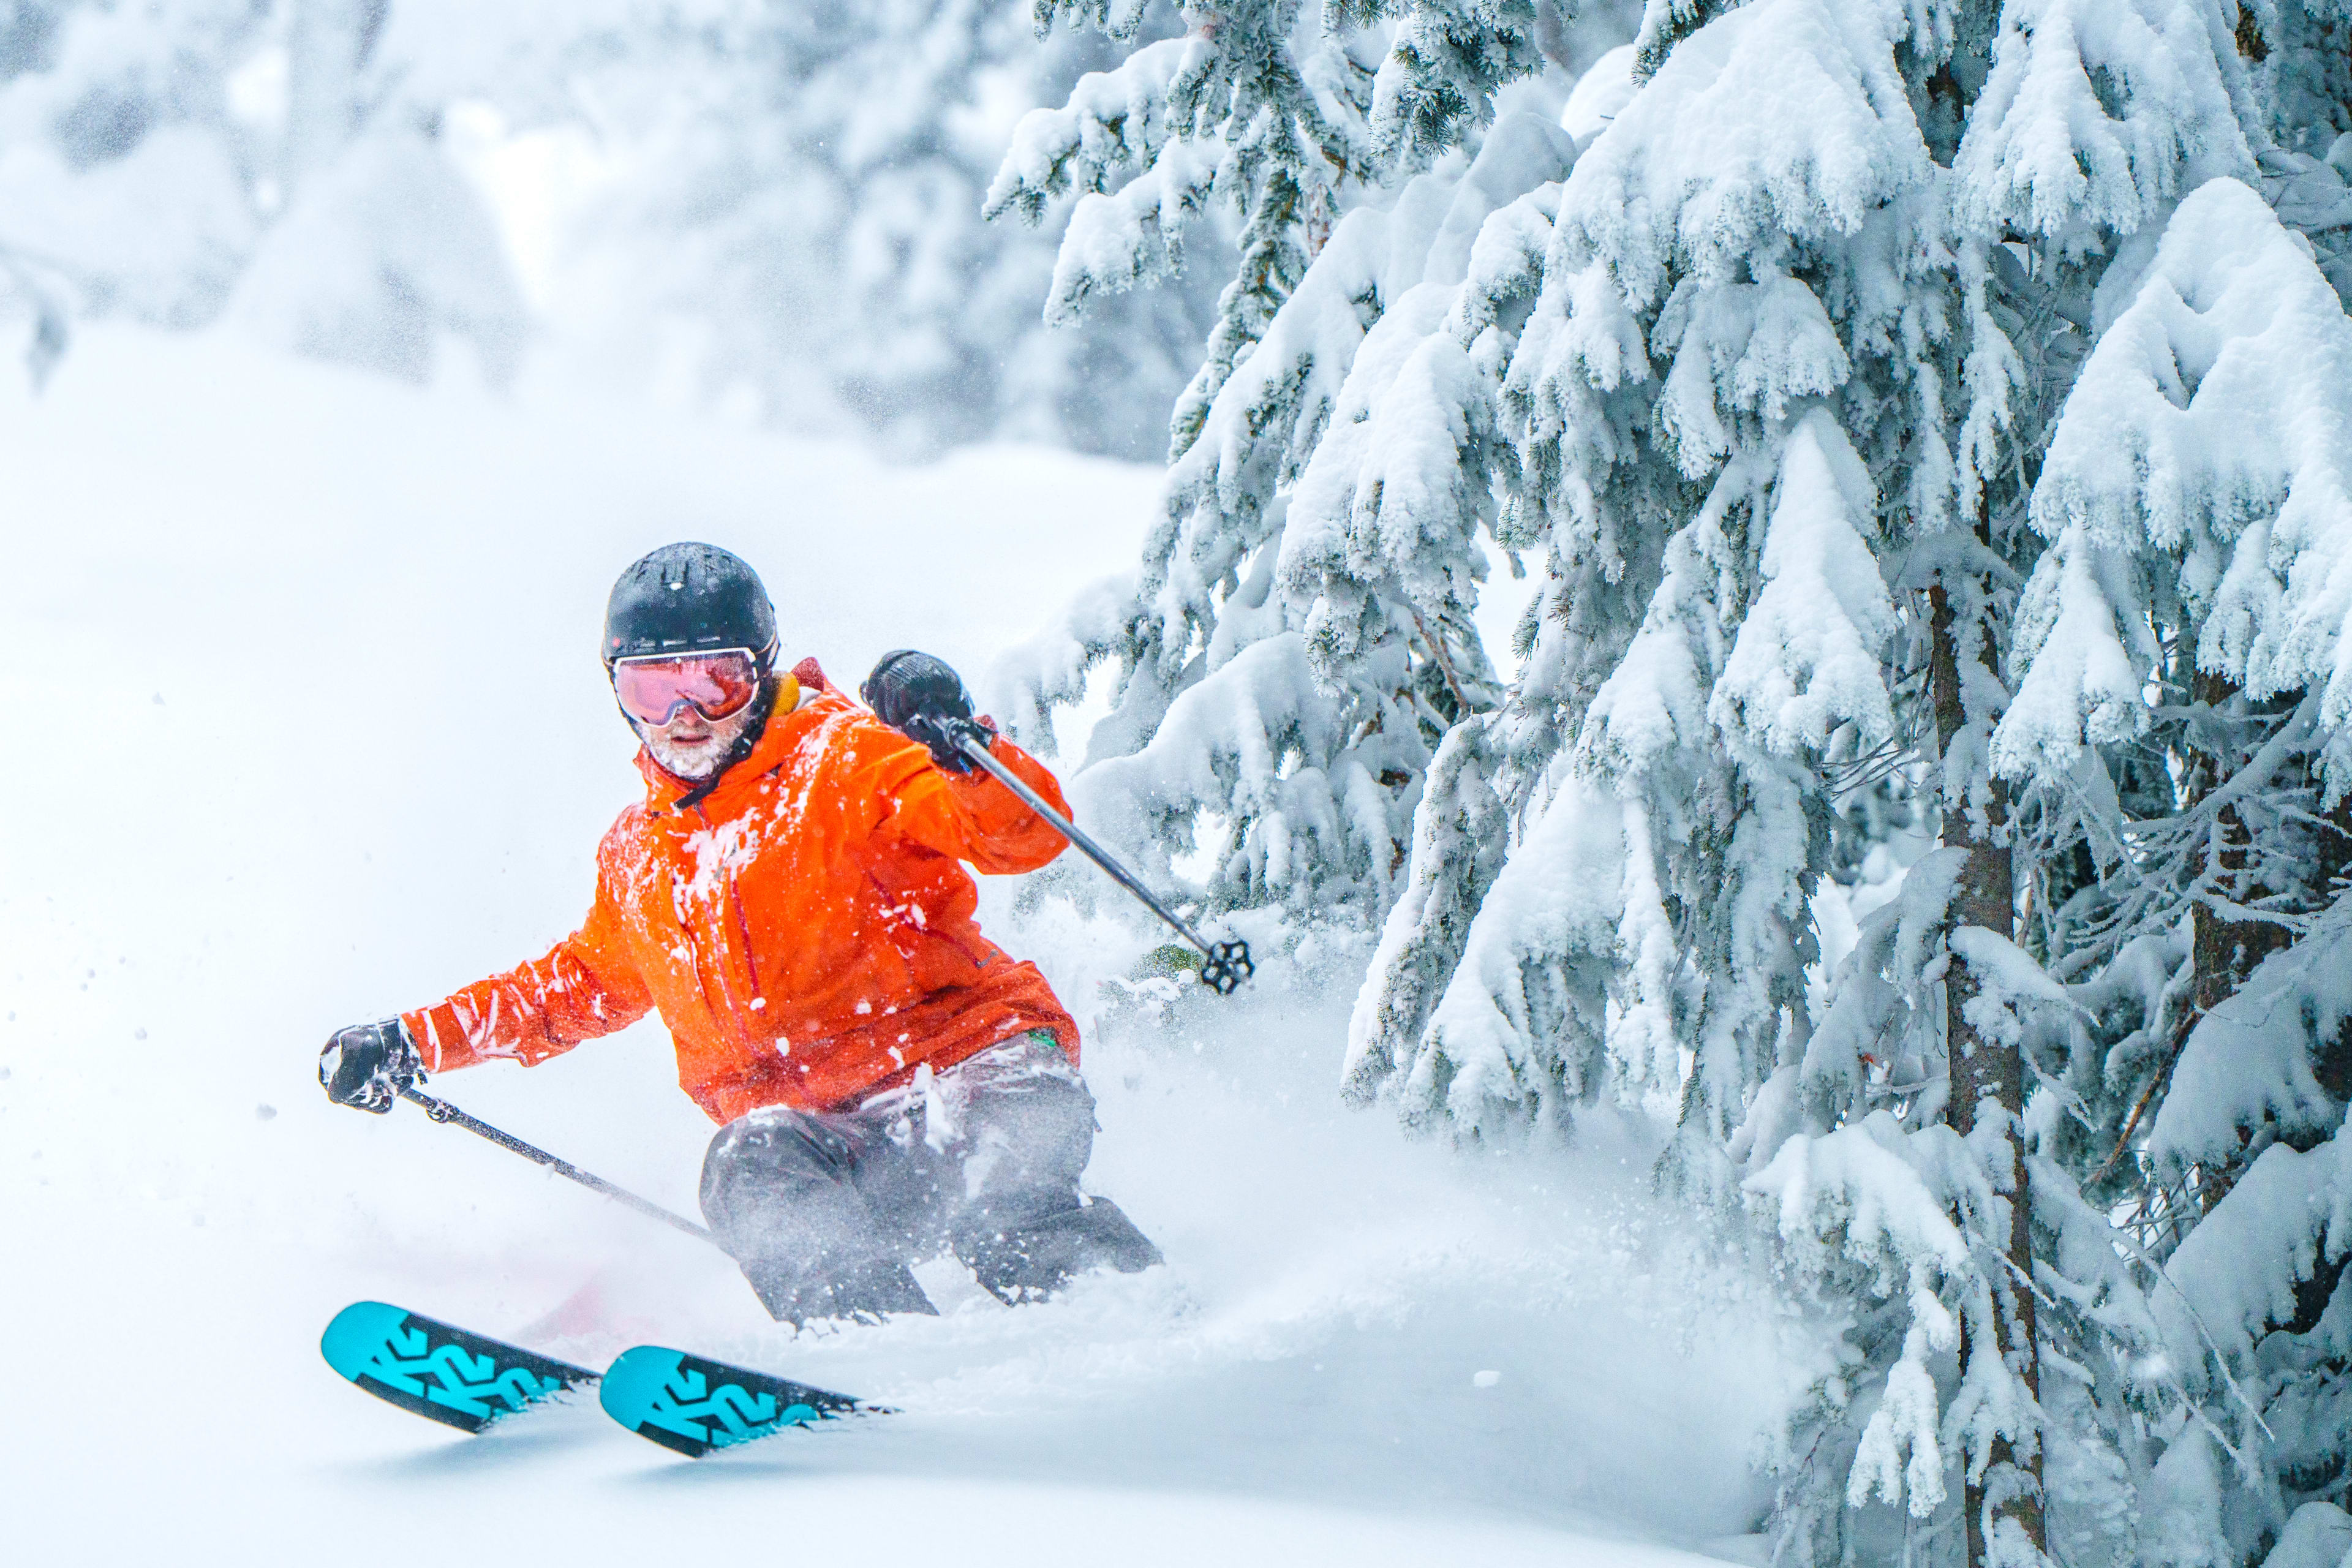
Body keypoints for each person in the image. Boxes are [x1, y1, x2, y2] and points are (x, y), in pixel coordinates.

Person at [318, 541, 1159, 1324]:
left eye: (713, 683)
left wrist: (958, 750)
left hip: (980, 1070)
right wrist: (414, 1044)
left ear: (758, 676)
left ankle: (1133, 1321)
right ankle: (877, 1351)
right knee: (746, 1165)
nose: (683, 715)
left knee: (1005, 1216)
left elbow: (1020, 837)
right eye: (652, 689)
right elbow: (573, 987)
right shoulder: (644, 855)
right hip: (846, 1149)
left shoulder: (846, 760)